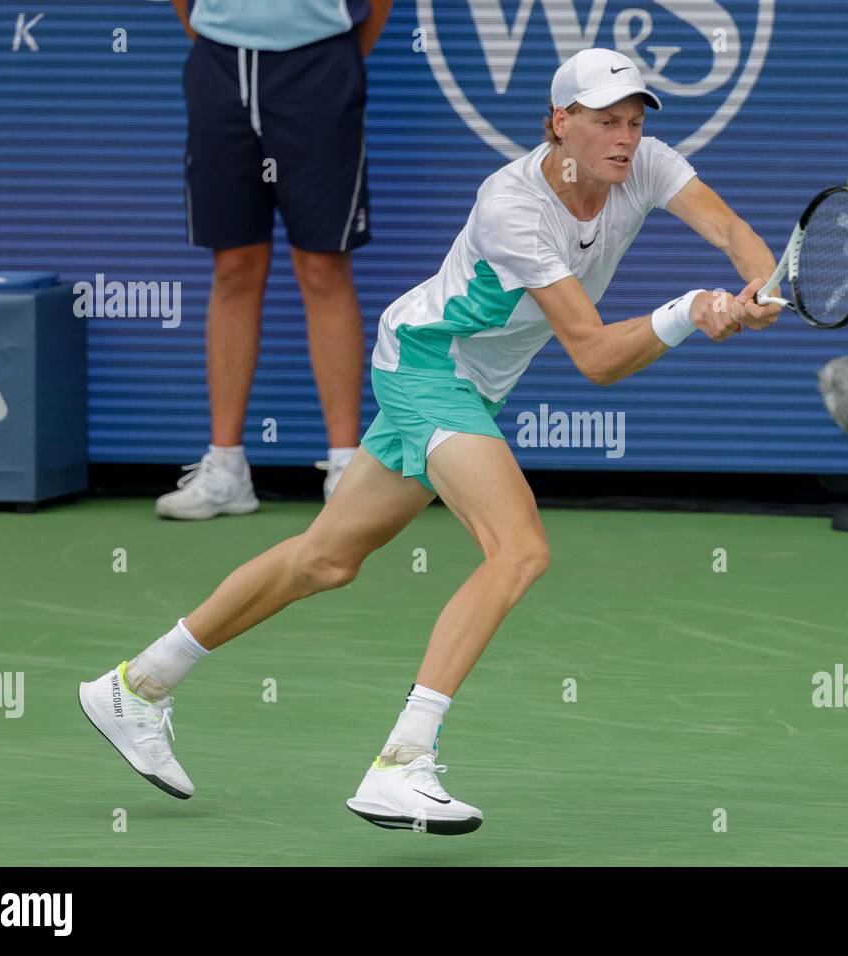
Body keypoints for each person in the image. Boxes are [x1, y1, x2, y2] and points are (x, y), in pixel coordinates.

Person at [80, 48, 781, 834]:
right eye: (605, 120)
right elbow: (592, 356)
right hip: (427, 366)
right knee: (519, 550)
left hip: (471, 383)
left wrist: (760, 290)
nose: (625, 137)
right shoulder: (512, 206)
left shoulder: (645, 165)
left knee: (326, 559)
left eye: (633, 121)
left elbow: (727, 227)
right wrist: (693, 311)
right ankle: (401, 763)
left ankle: (137, 684)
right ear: (560, 124)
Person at [157, 0, 394, 518]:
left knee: (324, 266)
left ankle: (345, 466)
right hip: (220, 64)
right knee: (234, 266)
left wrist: (337, 52)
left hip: (322, 64)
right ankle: (226, 468)